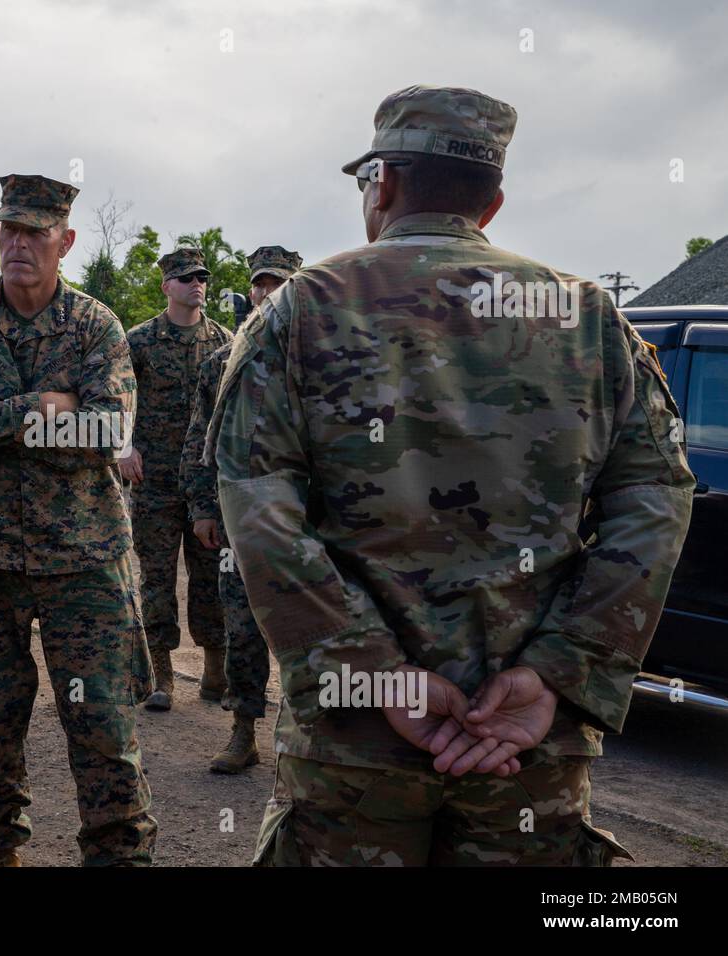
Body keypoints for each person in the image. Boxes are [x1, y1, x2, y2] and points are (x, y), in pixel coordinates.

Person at [207, 85, 696, 866]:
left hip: (357, 745)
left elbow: (262, 514)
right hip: (525, 744)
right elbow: (657, 502)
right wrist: (557, 671)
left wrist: (374, 675)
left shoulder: (300, 311)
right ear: (492, 203)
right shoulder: (590, 318)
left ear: (384, 183)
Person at [0, 174, 155, 866]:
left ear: (65, 241)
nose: (18, 244)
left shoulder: (96, 325)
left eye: (35, 233)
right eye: (8, 231)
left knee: (104, 729)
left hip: (84, 559)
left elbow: (111, 429)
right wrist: (34, 409)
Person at [180, 243, 302, 773]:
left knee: (310, 628)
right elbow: (198, 441)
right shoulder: (219, 364)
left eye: (277, 284)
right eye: (260, 284)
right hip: (240, 517)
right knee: (242, 628)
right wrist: (203, 507)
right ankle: (243, 731)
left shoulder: (321, 358)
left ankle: (307, 736)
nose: (266, 293)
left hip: (303, 520)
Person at [123, 248, 232, 710]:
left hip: (204, 482)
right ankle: (162, 674)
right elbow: (115, 396)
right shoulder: (140, 341)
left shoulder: (224, 341)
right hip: (155, 481)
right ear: (167, 285)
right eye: (186, 278)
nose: (197, 284)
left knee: (210, 576)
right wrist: (123, 446)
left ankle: (214, 667)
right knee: (157, 576)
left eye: (202, 277)